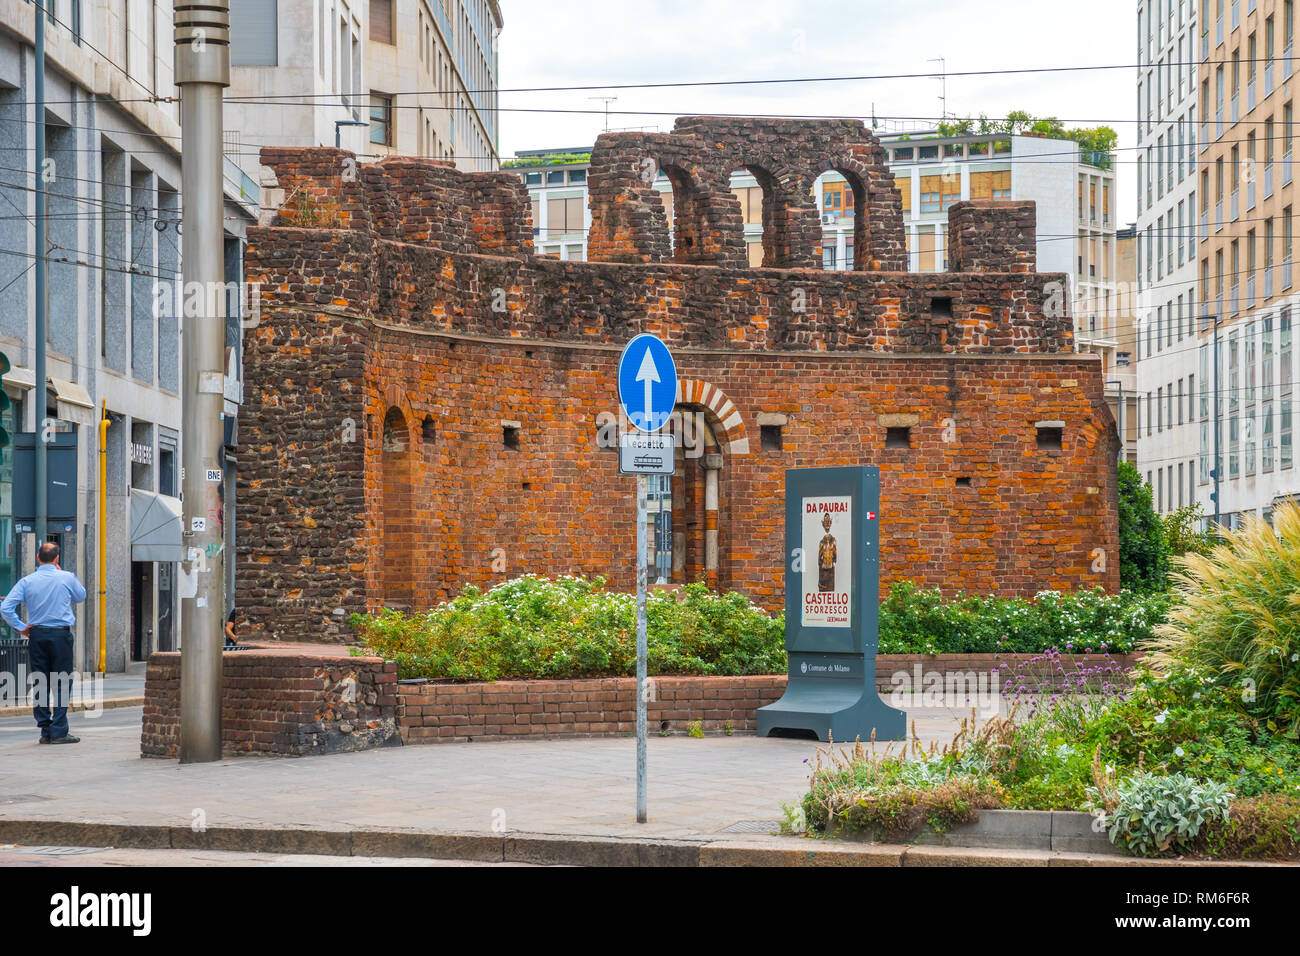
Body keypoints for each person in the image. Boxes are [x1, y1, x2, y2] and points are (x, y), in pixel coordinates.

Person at [1, 542, 88, 744]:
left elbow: (6, 608)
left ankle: (45, 729)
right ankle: (59, 730)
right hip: (60, 635)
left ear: (38, 559)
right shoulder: (66, 577)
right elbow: (81, 596)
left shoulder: (27, 581)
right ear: (57, 558)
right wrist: (63, 572)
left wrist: (21, 627)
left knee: (40, 681)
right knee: (62, 681)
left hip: (37, 635)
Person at [817, 512, 838, 593]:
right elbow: (819, 554)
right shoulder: (822, 542)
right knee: (824, 579)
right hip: (824, 564)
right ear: (823, 523)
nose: (827, 524)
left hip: (830, 564)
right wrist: (819, 561)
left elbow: (835, 552)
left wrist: (835, 560)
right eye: (825, 522)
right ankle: (822, 585)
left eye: (829, 521)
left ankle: (824, 585)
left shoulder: (833, 541)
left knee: (830, 582)